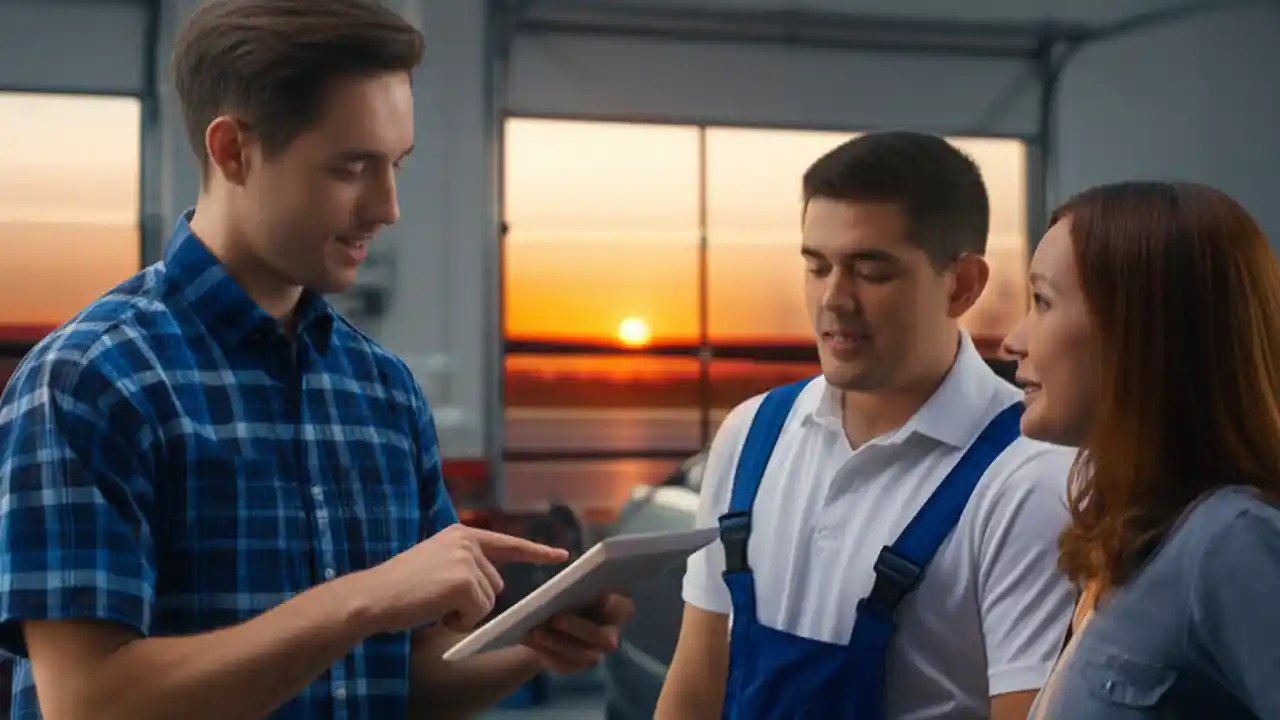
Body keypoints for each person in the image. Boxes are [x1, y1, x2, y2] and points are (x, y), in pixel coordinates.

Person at [0, 1, 632, 718]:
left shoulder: (384, 393)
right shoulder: (90, 381)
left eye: (395, 165)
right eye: (352, 168)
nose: (388, 206)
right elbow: (89, 704)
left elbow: (402, 682)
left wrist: (534, 644)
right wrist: (363, 599)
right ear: (233, 150)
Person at [655, 131, 1078, 720]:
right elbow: (697, 682)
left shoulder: (1029, 480)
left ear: (962, 285)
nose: (834, 299)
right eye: (817, 266)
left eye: (870, 271)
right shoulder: (751, 436)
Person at [1002, 181, 1280, 719]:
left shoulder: (1232, 542)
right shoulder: (1123, 538)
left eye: (1042, 302)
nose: (1013, 340)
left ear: (1135, 330)